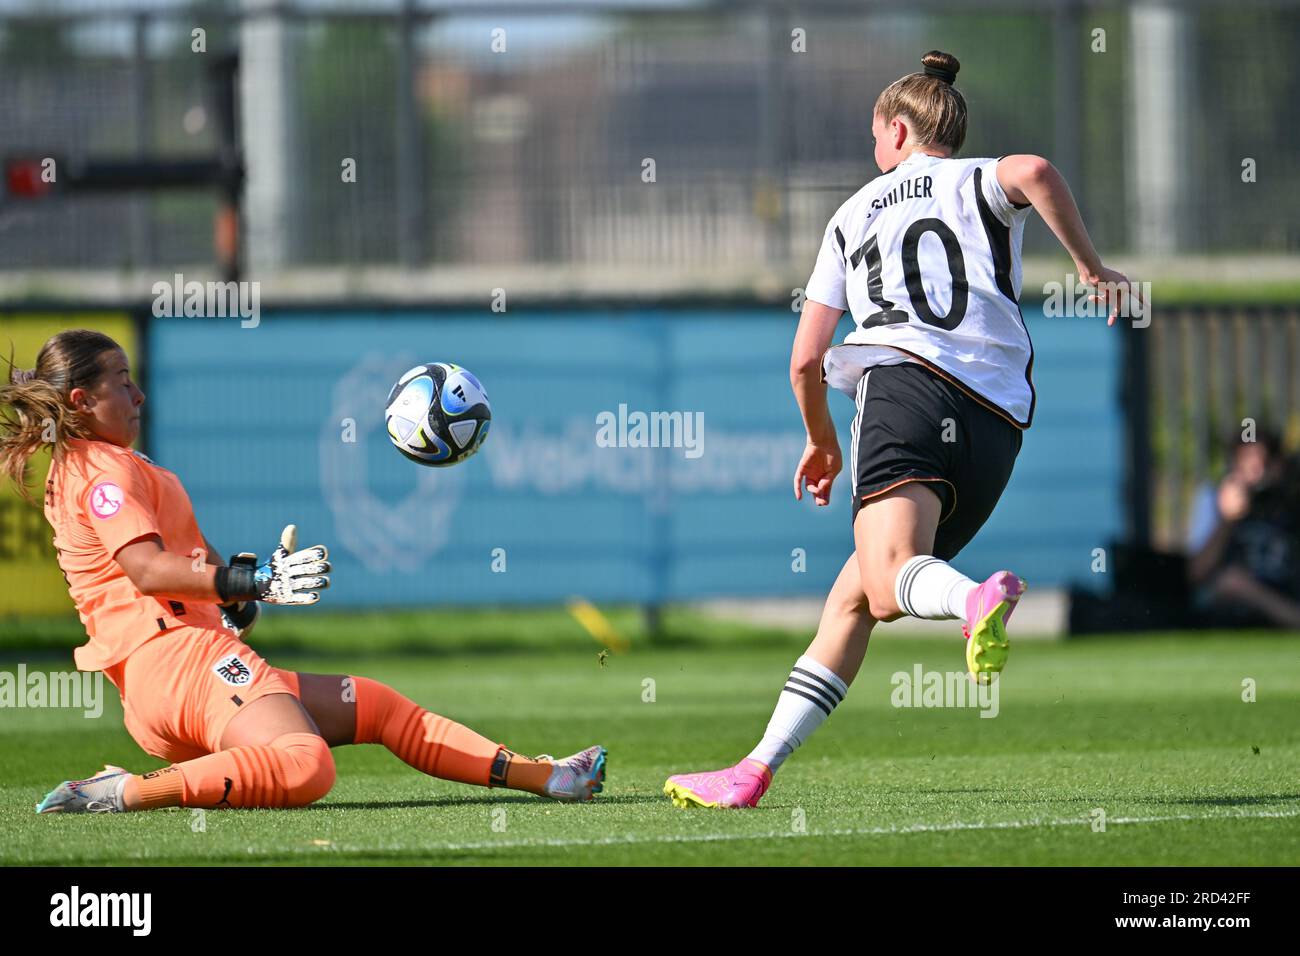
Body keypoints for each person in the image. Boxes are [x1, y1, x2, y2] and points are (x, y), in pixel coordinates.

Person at [664, 50, 1137, 809]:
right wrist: (1088, 265)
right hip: (997, 423)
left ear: (897, 129)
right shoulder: (980, 178)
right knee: (856, 597)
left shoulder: (853, 214)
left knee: (888, 581)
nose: (872, 147)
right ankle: (754, 769)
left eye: (874, 133)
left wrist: (821, 440)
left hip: (906, 391)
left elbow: (806, 359)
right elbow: (1040, 170)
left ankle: (976, 601)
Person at [1, 329, 605, 813]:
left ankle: (551, 778)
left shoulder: (104, 462)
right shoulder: (101, 469)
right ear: (80, 400)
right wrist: (254, 581)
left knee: (376, 706)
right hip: (176, 664)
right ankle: (121, 792)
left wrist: (235, 592)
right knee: (305, 763)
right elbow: (148, 570)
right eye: (123, 382)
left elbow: (183, 560)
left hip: (177, 667)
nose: (138, 397)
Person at [1188, 431, 1300, 628]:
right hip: (1228, 611)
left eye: (1263, 463)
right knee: (1231, 583)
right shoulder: (1216, 500)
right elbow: (1197, 572)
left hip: (1284, 600)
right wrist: (1227, 520)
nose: (1255, 473)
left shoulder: (1291, 504)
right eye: (1246, 463)